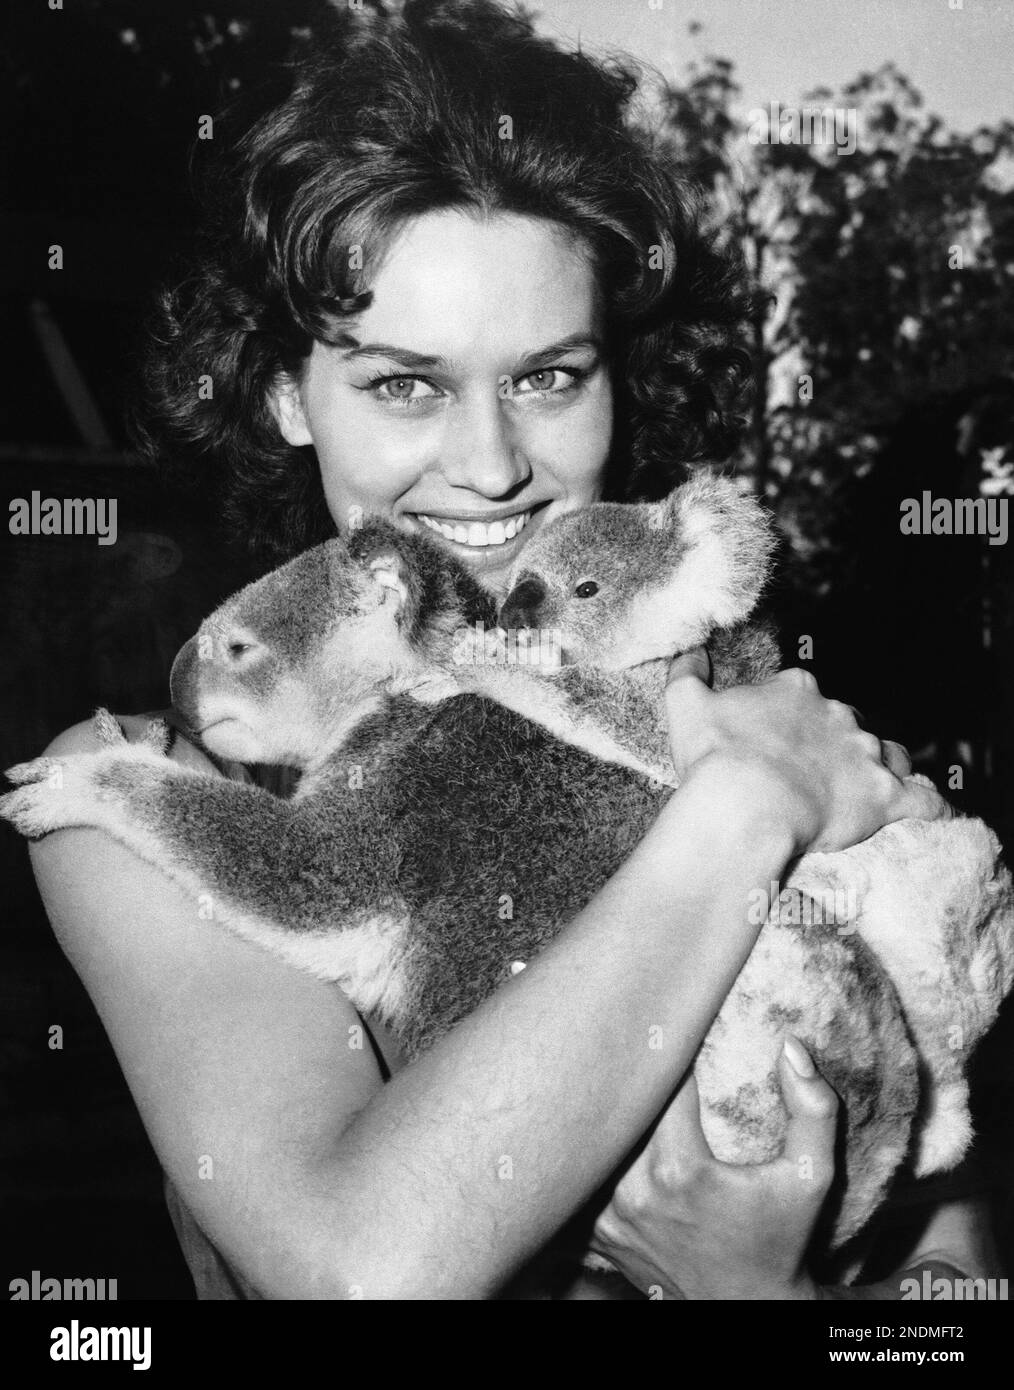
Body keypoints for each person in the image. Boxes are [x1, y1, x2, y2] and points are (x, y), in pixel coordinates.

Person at [29, 0, 996, 1299]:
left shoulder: (735, 688)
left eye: (548, 377)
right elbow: (366, 1267)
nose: (488, 471)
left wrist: (762, 1293)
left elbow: (947, 1269)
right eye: (403, 385)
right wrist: (741, 809)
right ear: (281, 395)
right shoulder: (137, 804)